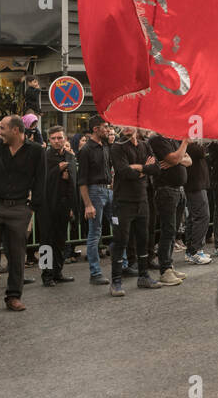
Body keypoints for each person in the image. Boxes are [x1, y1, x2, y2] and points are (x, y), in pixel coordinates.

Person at [0, 114, 46, 315]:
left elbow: (40, 181)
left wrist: (31, 208)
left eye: (3, 128)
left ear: (16, 130)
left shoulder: (35, 151)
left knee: (17, 255)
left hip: (19, 208)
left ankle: (14, 297)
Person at [108, 127, 161, 293]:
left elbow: (156, 168)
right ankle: (115, 282)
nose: (126, 127)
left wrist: (138, 168)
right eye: (122, 124)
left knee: (143, 239)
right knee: (120, 241)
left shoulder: (145, 145)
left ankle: (143, 276)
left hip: (142, 200)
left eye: (129, 123)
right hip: (122, 201)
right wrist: (144, 168)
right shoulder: (117, 147)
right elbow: (124, 172)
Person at [143, 133, 190, 286]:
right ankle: (165, 270)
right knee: (168, 230)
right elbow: (174, 158)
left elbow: (188, 161)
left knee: (173, 231)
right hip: (166, 190)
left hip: (178, 189)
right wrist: (184, 143)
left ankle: (169, 265)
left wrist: (177, 159)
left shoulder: (172, 139)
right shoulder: (157, 139)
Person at [77, 115, 114, 285]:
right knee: (95, 233)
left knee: (119, 225)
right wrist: (88, 205)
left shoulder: (105, 145)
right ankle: (95, 272)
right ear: (95, 129)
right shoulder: (86, 150)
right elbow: (82, 181)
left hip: (108, 191)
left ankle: (124, 264)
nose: (108, 129)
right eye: (105, 127)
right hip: (94, 192)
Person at [40, 126, 78, 287]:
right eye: (54, 138)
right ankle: (46, 275)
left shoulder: (70, 156)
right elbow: (41, 180)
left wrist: (72, 207)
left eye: (60, 138)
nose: (57, 141)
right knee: (46, 242)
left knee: (61, 240)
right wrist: (58, 170)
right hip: (47, 205)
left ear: (65, 139)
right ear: (49, 140)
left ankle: (58, 272)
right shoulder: (44, 157)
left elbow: (74, 182)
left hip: (64, 204)